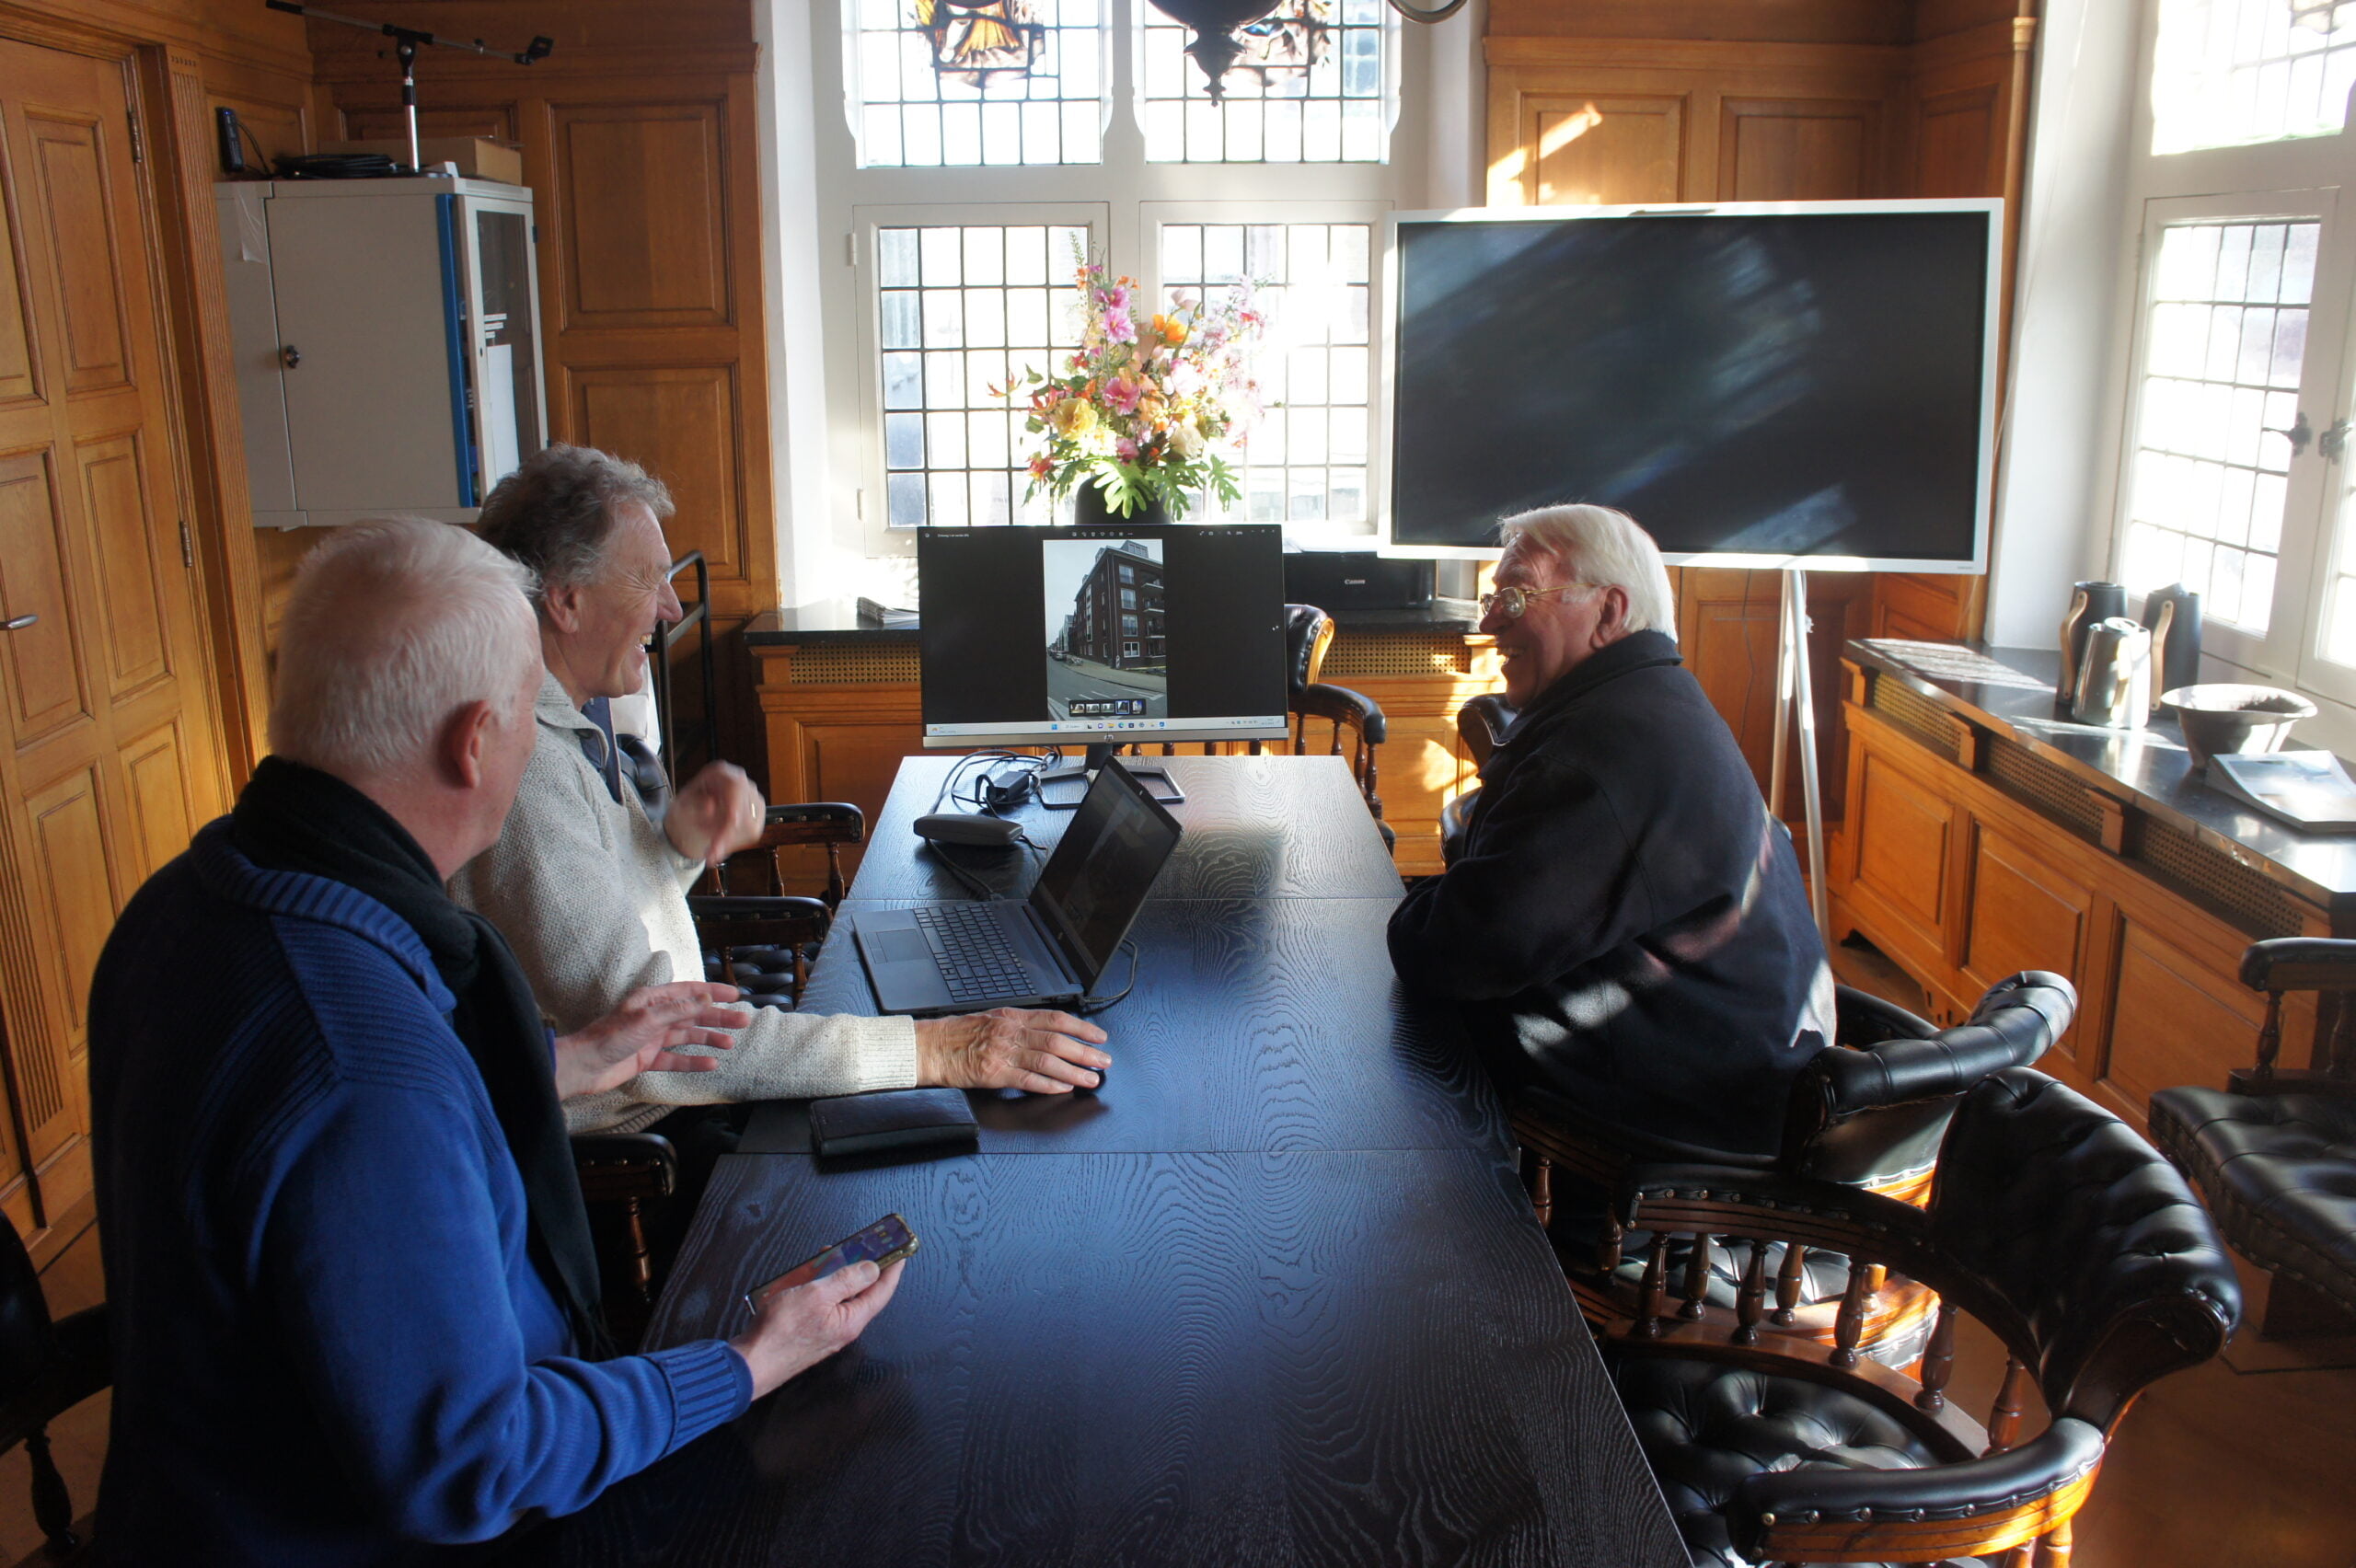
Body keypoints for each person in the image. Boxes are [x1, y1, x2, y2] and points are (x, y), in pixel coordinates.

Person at [87, 520, 904, 1564]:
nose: (543, 742)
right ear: (475, 742)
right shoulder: (363, 1063)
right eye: (537, 717)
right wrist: (748, 1360)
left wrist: (556, 1065)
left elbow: (286, 1165)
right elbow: (477, 1464)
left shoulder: (190, 901)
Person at [452, 444, 1109, 1145]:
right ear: (566, 600)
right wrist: (936, 1050)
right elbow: (649, 1042)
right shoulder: (530, 773)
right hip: (653, 1138)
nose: (672, 606)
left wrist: (676, 845)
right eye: (648, 579)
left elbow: (593, 924)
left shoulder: (569, 723)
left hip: (691, 1082)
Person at [1387, 503, 1834, 1159]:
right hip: (1710, 1097)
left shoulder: (1604, 750)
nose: (1487, 622)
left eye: (1515, 594)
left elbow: (1457, 953)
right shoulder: (1652, 703)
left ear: (1610, 612)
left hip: (1651, 1156)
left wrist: (1413, 909)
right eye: (1491, 597)